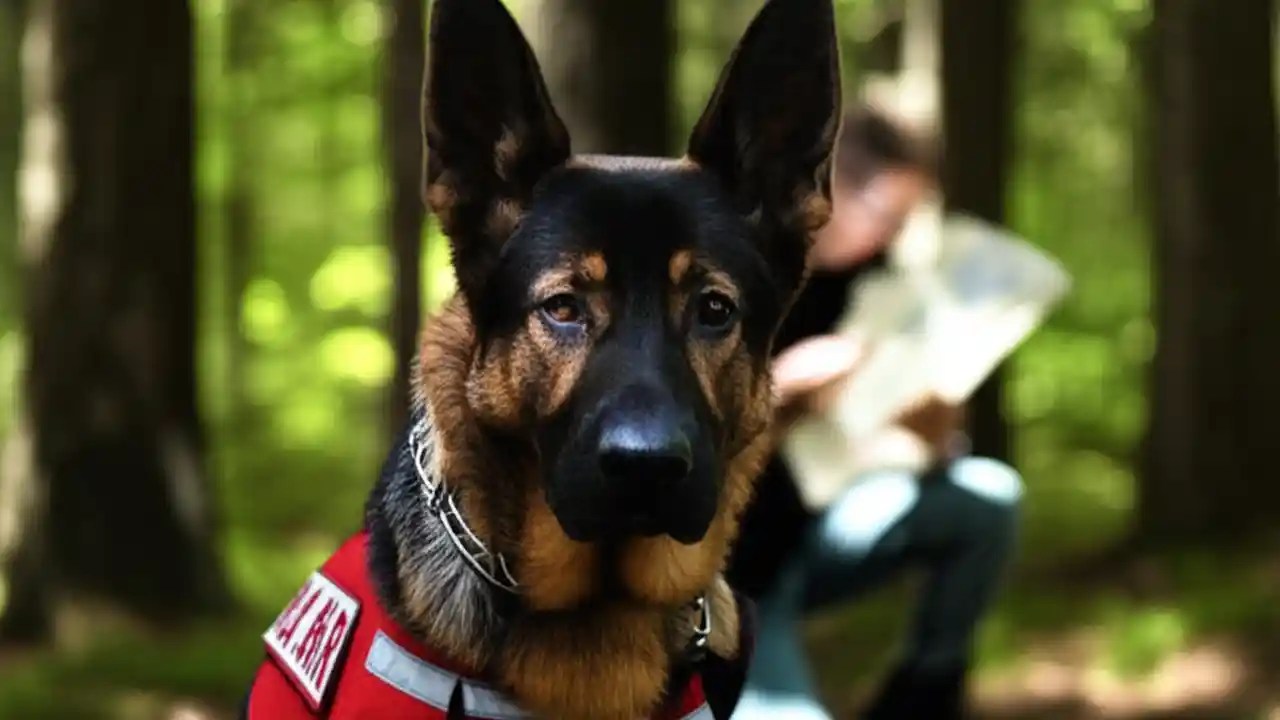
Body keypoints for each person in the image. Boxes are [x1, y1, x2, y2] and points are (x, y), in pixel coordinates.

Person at [727, 104, 1024, 720]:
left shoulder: (879, 285)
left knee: (989, 496)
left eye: (906, 219)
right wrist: (779, 393)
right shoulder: (733, 267)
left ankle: (923, 695)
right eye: (886, 214)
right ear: (831, 182)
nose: (890, 234)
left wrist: (935, 431)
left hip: (814, 530)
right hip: (727, 575)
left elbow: (893, 428)